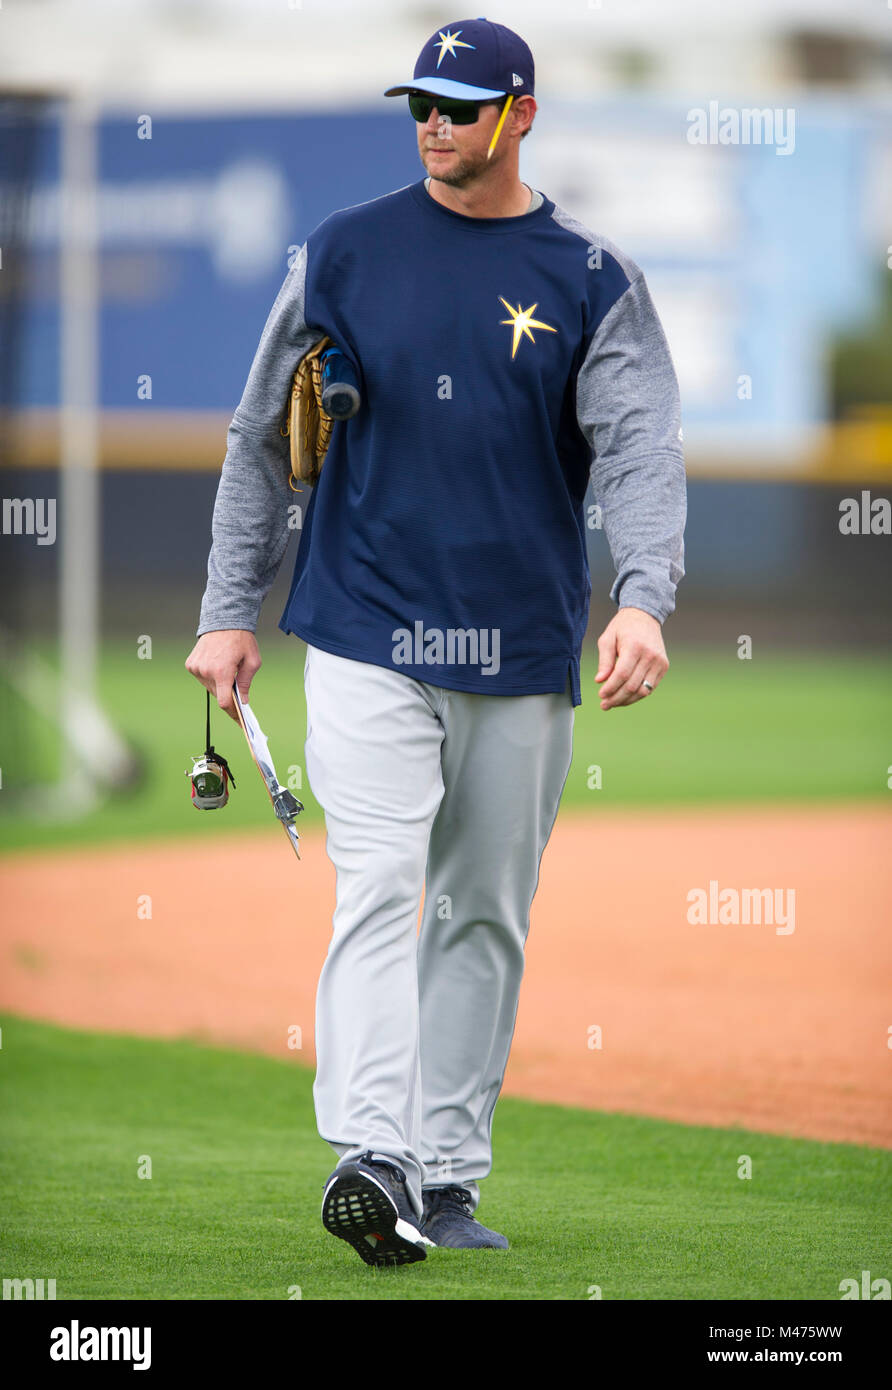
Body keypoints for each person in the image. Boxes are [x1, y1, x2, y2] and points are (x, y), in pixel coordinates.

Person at [185, 16, 686, 1268]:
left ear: (520, 115)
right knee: (378, 886)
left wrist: (643, 595)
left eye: (461, 107)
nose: (435, 125)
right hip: (364, 627)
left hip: (521, 646)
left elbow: (638, 450)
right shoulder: (342, 251)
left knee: (482, 914)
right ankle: (374, 1152)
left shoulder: (590, 276)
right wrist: (224, 612)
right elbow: (260, 443)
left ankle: (446, 1173)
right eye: (422, 103)